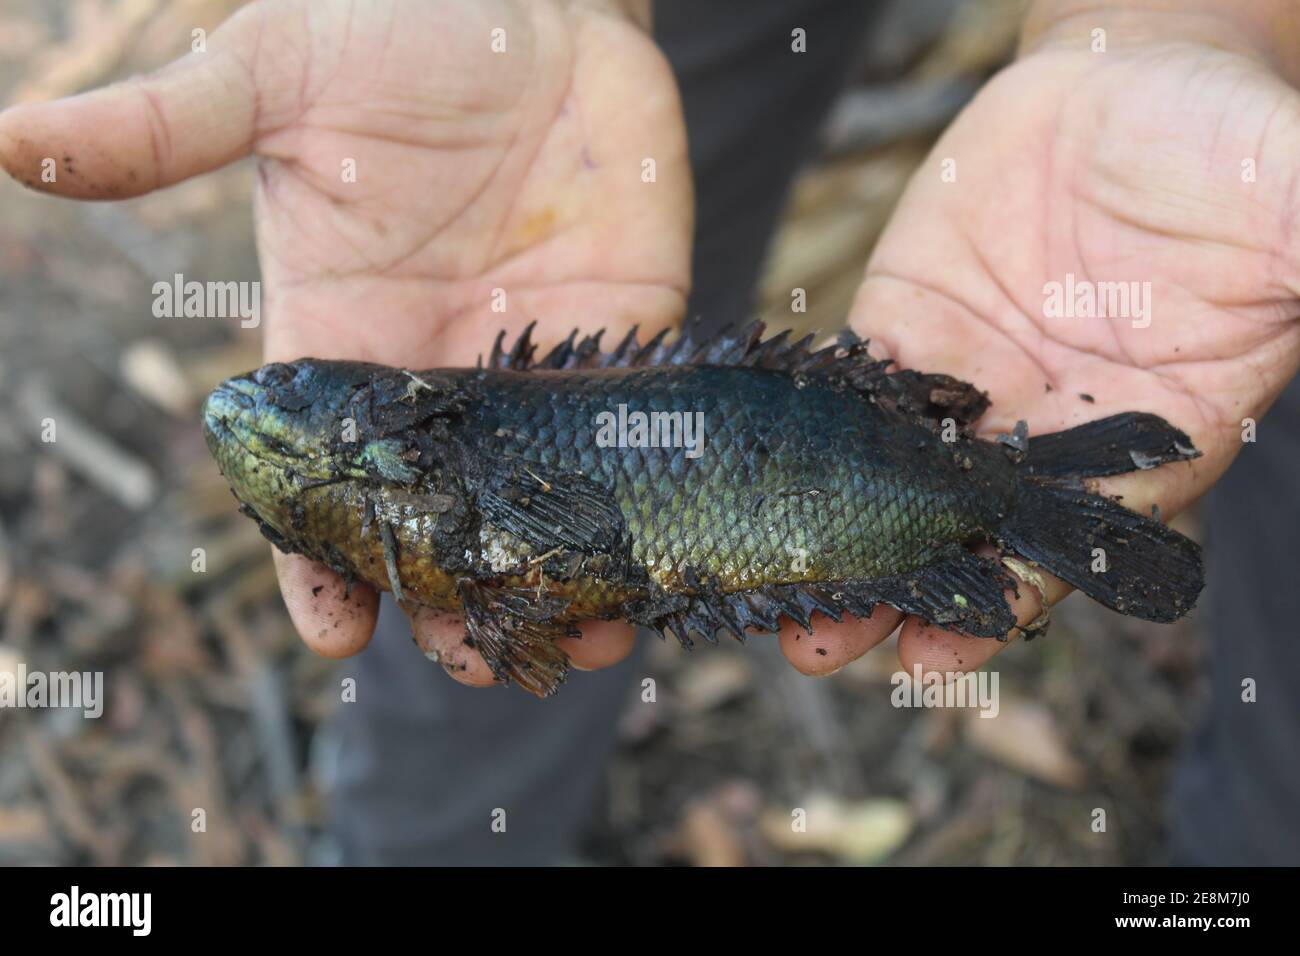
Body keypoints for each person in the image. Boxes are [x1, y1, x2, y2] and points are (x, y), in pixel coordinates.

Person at [3, 0, 1297, 865]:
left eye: (288, 406)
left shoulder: (443, 449)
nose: (255, 409)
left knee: (1227, 368)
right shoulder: (432, 472)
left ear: (391, 413)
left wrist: (1191, 24)